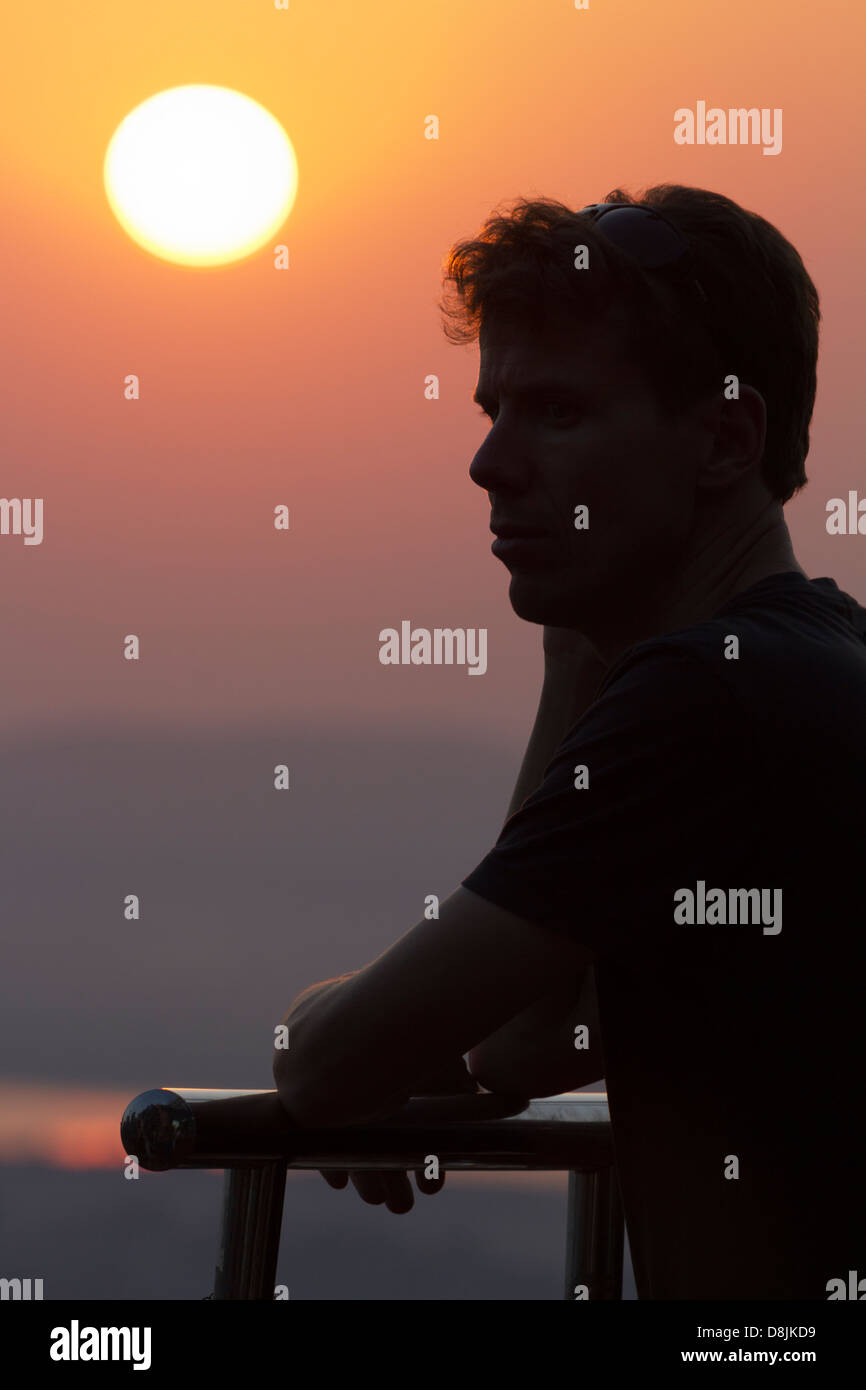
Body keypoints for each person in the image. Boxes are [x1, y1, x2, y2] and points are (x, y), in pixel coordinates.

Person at [273, 185, 866, 1299]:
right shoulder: (815, 659)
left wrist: (321, 1022)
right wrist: (578, 655)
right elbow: (524, 1041)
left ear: (724, 437)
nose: (489, 465)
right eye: (491, 410)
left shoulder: (709, 701)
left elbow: (326, 1061)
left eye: (555, 412)